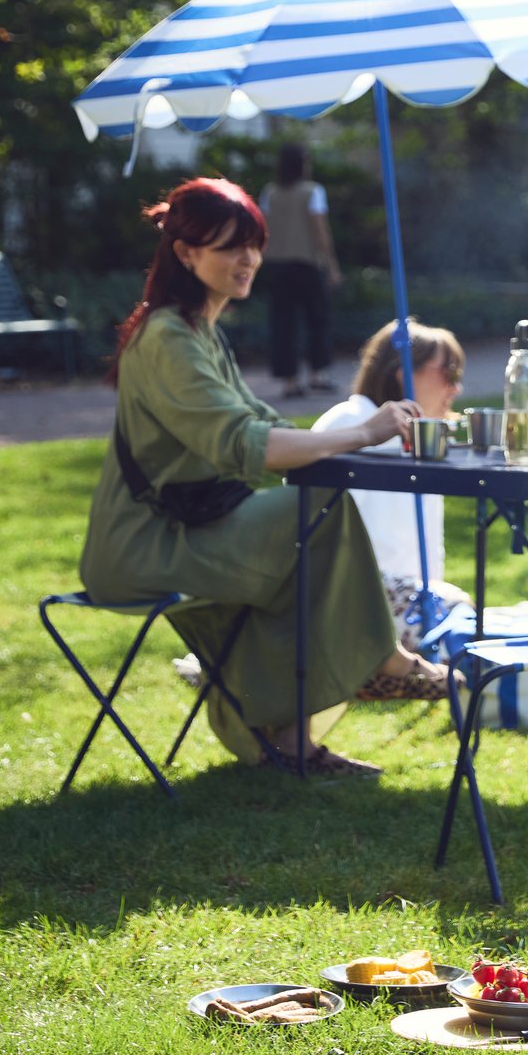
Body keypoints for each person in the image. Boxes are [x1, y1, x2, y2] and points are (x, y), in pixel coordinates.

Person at [80, 177, 448, 783]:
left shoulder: (199, 332)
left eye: (252, 243)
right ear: (185, 254)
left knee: (313, 522)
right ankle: (380, 660)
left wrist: (345, 438)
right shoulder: (169, 338)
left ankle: (292, 737)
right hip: (145, 542)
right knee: (312, 513)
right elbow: (246, 444)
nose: (246, 259)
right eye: (228, 247)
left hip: (195, 524)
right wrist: (360, 433)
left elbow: (262, 422)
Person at [313, 320, 472, 652]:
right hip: (354, 600)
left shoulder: (418, 437)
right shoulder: (351, 423)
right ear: (404, 372)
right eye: (450, 373)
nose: (456, 388)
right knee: (467, 626)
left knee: (470, 623)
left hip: (402, 597)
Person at [260, 142, 341, 400]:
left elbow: (264, 227)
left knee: (283, 323)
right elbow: (320, 230)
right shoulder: (312, 191)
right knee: (317, 319)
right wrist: (331, 265)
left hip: (277, 264)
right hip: (306, 263)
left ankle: (289, 380)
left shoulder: (270, 192)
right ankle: (318, 374)